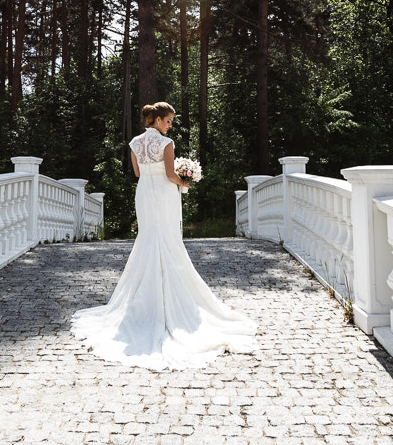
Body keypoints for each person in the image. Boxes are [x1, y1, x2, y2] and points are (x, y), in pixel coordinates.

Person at [71, 102, 257, 369]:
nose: (170, 125)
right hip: (164, 192)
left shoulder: (134, 142)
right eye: (168, 120)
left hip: (145, 192)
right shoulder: (167, 144)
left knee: (148, 236)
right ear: (157, 120)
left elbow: (137, 173)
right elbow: (170, 175)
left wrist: (168, 175)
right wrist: (187, 181)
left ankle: (144, 293)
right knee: (167, 238)